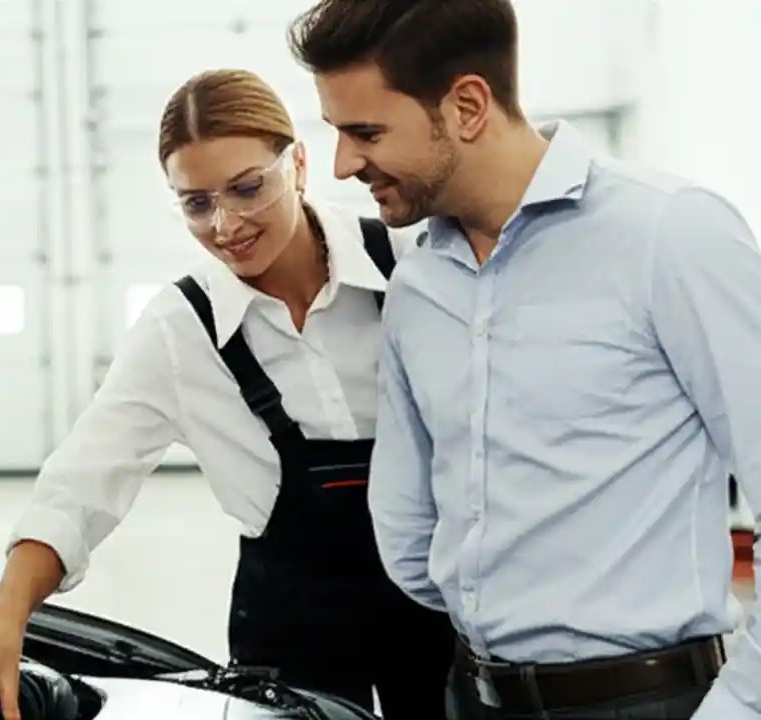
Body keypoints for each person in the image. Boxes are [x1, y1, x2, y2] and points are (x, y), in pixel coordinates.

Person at [0, 67, 456, 719]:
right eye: (196, 203)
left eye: (248, 188)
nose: (226, 224)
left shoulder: (414, 262)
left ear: (299, 164)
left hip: (440, 609)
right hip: (292, 631)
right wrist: (4, 618)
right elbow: (81, 483)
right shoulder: (179, 329)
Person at [285, 0, 761, 718]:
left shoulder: (671, 236)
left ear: (467, 105)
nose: (345, 164)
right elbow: (411, 524)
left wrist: (739, 705)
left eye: (366, 132)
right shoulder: (419, 283)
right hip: (472, 694)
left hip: (647, 702)